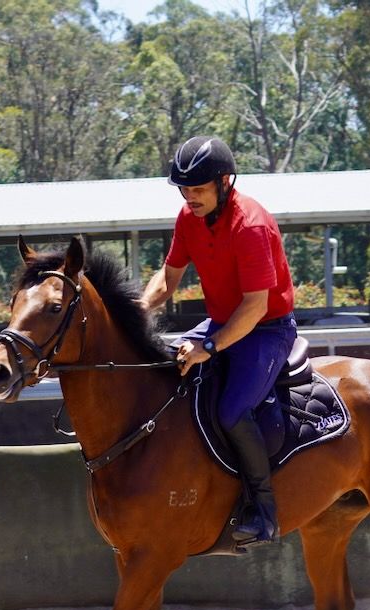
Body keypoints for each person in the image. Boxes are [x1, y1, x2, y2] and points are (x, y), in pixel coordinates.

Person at [139, 135, 297, 544]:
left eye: (198, 189)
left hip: (266, 329)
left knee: (230, 411)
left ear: (224, 182)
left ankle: (264, 510)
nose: (190, 197)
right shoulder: (188, 218)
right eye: (184, 190)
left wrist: (208, 347)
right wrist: (139, 310)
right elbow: (168, 278)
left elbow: (255, 307)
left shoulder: (251, 225)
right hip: (225, 321)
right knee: (165, 371)